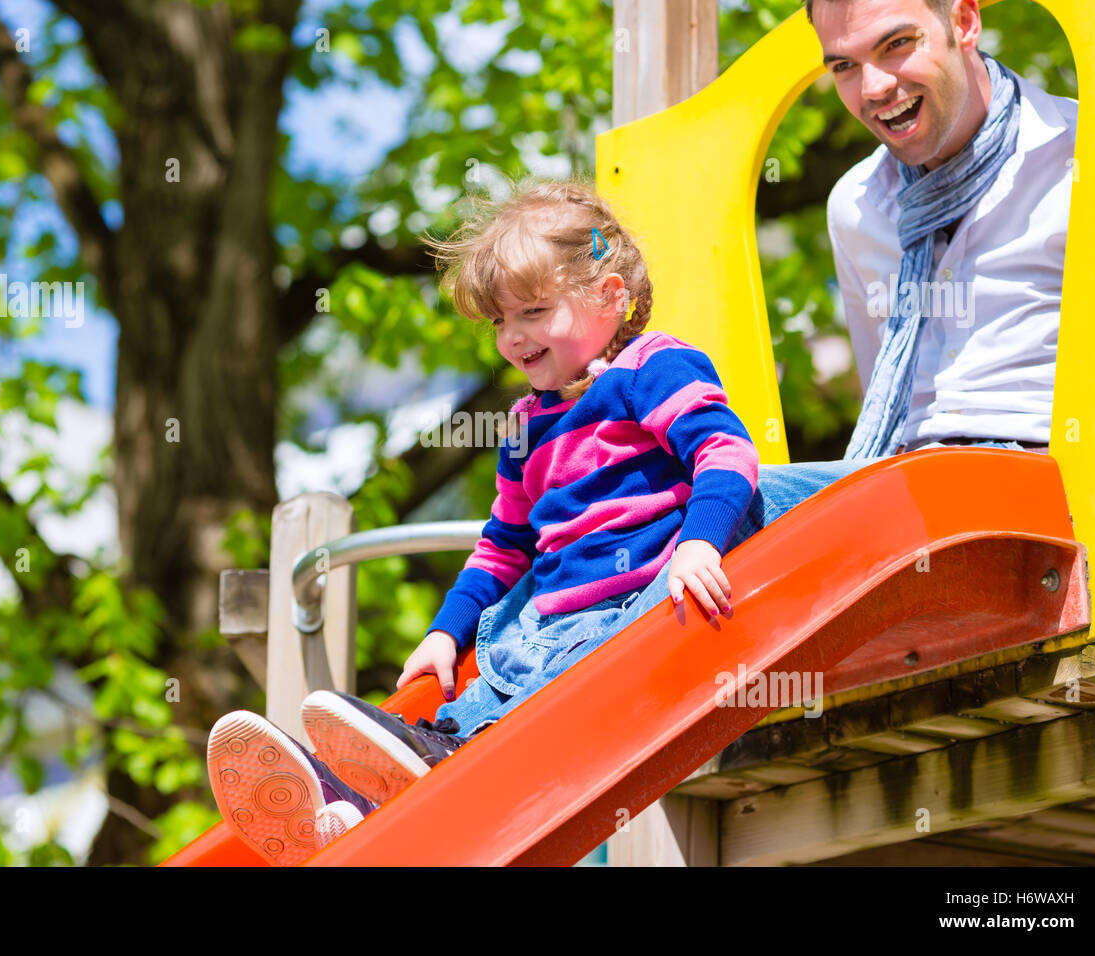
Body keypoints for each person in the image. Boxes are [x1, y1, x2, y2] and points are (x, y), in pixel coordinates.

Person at [205, 179, 760, 863]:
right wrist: (445, 631)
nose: (514, 336)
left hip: (635, 615)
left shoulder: (653, 367)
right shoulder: (526, 424)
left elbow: (725, 449)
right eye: (499, 320)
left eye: (533, 310)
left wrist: (700, 543)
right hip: (546, 625)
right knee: (471, 694)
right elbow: (502, 544)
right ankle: (338, 801)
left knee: (497, 721)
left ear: (611, 297)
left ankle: (414, 771)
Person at [724, 0, 1076, 547]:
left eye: (896, 45)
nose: (873, 88)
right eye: (844, 65)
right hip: (909, 482)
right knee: (706, 504)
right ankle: (565, 632)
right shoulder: (856, 207)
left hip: (1047, 472)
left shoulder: (1082, 152)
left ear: (963, 22)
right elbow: (883, 396)